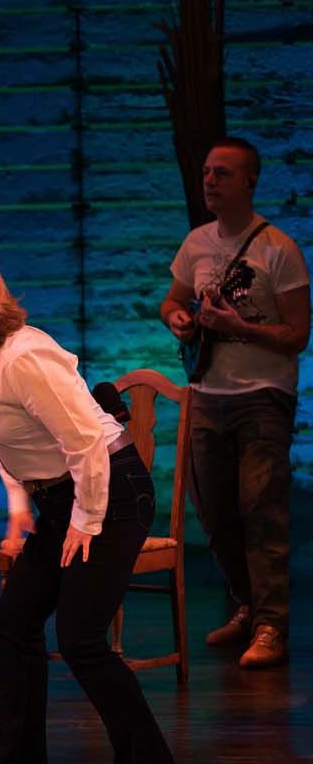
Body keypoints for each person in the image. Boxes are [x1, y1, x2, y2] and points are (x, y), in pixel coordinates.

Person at [0, 242, 179, 764]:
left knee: (82, 636)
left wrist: (86, 521)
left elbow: (87, 441)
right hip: (61, 496)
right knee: (15, 618)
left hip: (111, 491)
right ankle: (17, 761)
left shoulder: (25, 357)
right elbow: (9, 444)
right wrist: (19, 509)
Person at [159, 137, 308, 669]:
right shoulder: (197, 243)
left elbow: (296, 335)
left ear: (249, 181)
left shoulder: (278, 250)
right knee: (216, 514)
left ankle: (271, 625)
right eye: (205, 172)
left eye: (222, 173)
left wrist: (237, 326)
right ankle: (248, 607)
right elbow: (173, 298)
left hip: (261, 398)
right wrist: (177, 317)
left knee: (260, 511)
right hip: (207, 395)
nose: (209, 181)